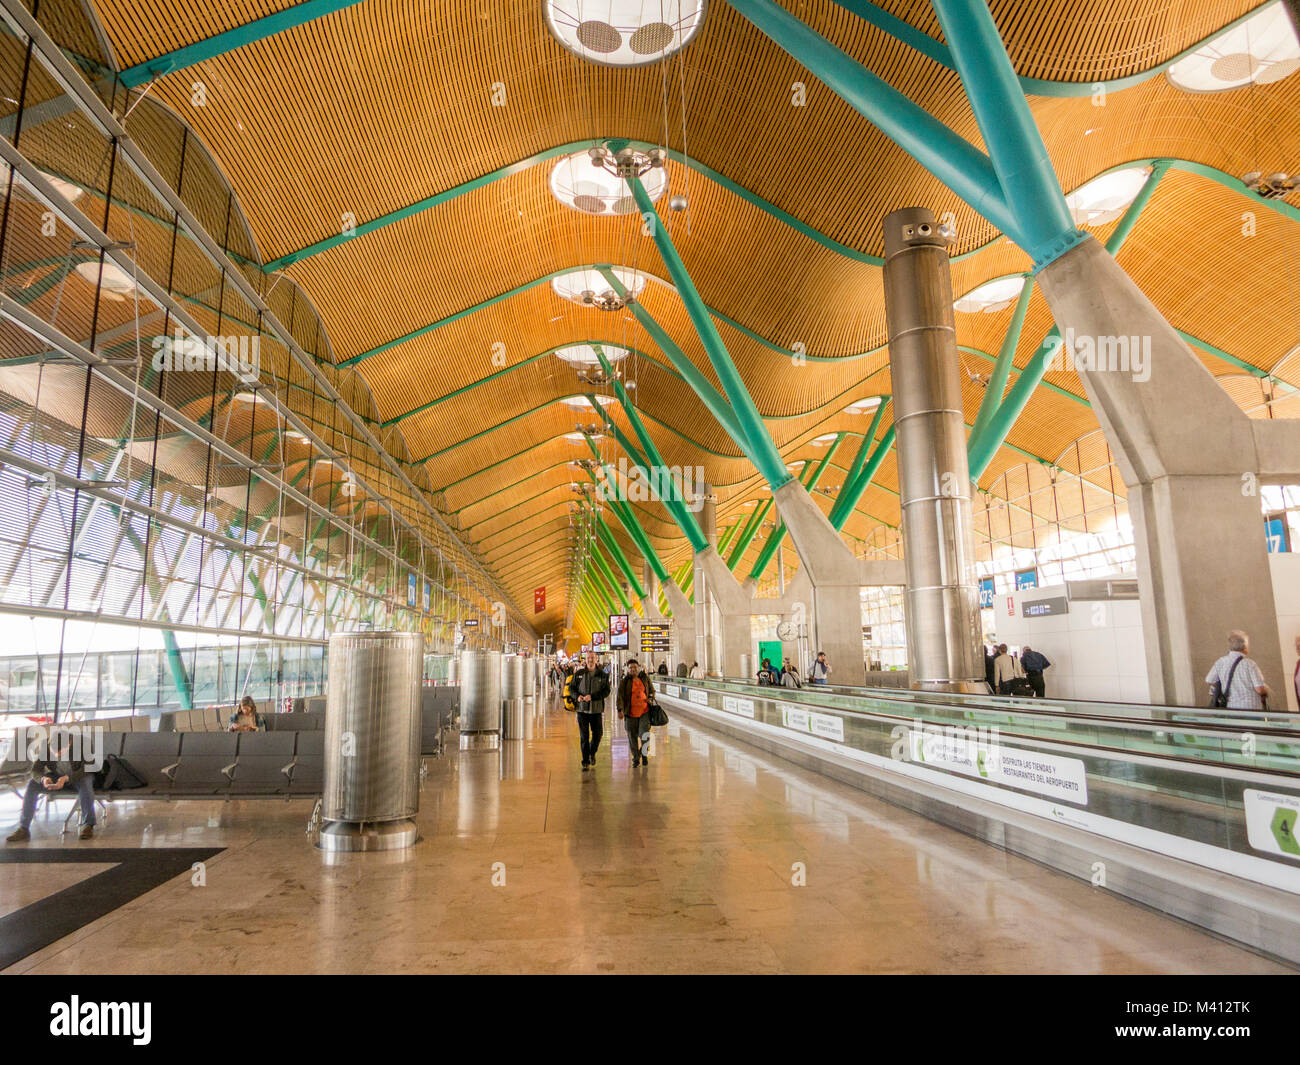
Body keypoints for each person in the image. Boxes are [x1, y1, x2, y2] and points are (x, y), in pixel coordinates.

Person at [6, 733, 97, 842]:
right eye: (54, 752)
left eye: (60, 752)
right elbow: (35, 770)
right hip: (57, 776)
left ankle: (88, 825)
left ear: (69, 744)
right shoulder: (45, 745)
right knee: (32, 784)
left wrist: (66, 779)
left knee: (85, 784)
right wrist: (43, 779)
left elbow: (88, 767)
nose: (57, 755)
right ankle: (24, 828)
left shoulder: (84, 743)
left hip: (78, 776)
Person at [1205, 630, 1270, 711]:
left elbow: (1209, 680)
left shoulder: (1220, 662)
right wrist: (1266, 691)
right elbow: (1259, 689)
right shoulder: (1249, 664)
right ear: (1245, 646)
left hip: (1231, 707)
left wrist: (1224, 684)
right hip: (1251, 708)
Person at [571, 650, 611, 770]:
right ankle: (585, 761)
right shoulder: (579, 674)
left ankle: (592, 753)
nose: (590, 660)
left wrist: (593, 697)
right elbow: (572, 688)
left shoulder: (602, 675)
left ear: (596, 659)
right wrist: (577, 696)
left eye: (592, 658)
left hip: (596, 710)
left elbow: (606, 691)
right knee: (584, 736)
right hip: (582, 710)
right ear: (585, 659)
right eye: (588, 658)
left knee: (598, 734)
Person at [617, 658, 655, 767]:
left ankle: (644, 754)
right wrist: (620, 710)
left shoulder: (645, 678)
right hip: (630, 713)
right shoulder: (624, 682)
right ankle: (636, 758)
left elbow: (652, 691)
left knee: (645, 735)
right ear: (627, 670)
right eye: (630, 668)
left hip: (644, 712)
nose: (633, 669)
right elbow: (620, 696)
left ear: (638, 668)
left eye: (635, 667)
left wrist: (650, 698)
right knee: (632, 737)